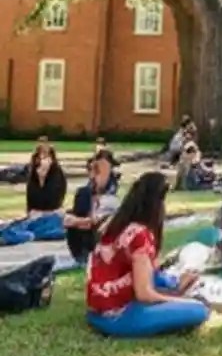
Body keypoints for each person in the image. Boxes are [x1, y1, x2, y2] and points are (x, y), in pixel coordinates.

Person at [84, 172, 210, 337]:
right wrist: (180, 300)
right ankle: (179, 294)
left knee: (164, 279)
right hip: (118, 316)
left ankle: (177, 287)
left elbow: (147, 271)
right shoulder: (140, 235)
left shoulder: (115, 224)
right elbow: (144, 294)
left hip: (97, 309)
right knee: (199, 310)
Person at [0, 144, 68, 245]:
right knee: (16, 225)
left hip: (52, 216)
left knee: (33, 233)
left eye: (45, 157)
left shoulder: (57, 175)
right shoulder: (33, 175)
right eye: (39, 157)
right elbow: (32, 200)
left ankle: (8, 237)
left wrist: (42, 179)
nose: (42, 161)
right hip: (35, 216)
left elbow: (52, 202)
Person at [64, 150, 120, 265]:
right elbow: (70, 220)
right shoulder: (84, 193)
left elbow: (96, 221)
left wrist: (85, 221)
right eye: (99, 170)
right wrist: (83, 221)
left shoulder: (112, 199)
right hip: (83, 242)